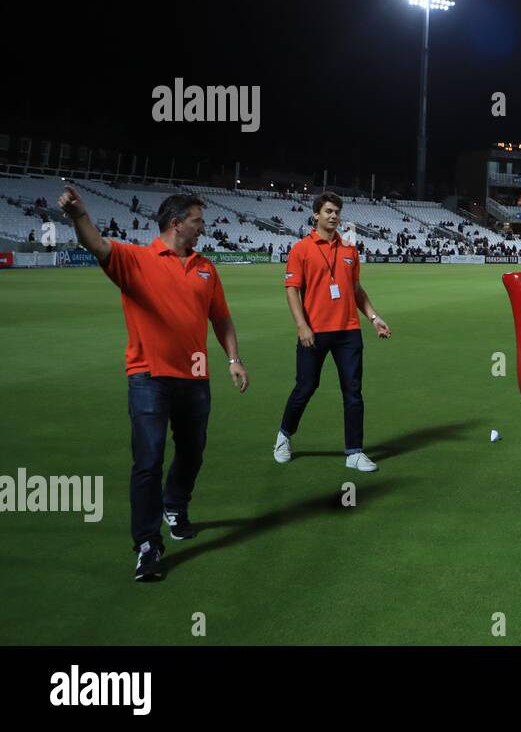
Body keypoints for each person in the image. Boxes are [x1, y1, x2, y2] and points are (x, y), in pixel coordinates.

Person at [57, 185, 248, 582]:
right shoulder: (136, 259)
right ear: (176, 224)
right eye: (197, 221)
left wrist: (233, 359)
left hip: (195, 376)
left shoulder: (206, 267)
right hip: (148, 377)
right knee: (147, 462)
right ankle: (147, 544)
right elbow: (97, 245)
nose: (203, 227)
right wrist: (79, 215)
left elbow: (222, 318)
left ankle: (175, 505)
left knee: (193, 453)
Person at [274, 192, 391, 471]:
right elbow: (292, 290)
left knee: (353, 391)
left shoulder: (350, 250)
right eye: (328, 211)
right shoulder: (301, 249)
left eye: (337, 211)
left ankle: (354, 452)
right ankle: (284, 436)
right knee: (305, 387)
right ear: (316, 215)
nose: (333, 216)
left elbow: (356, 289)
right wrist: (302, 325)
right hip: (314, 331)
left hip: (349, 331)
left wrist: (374, 317)